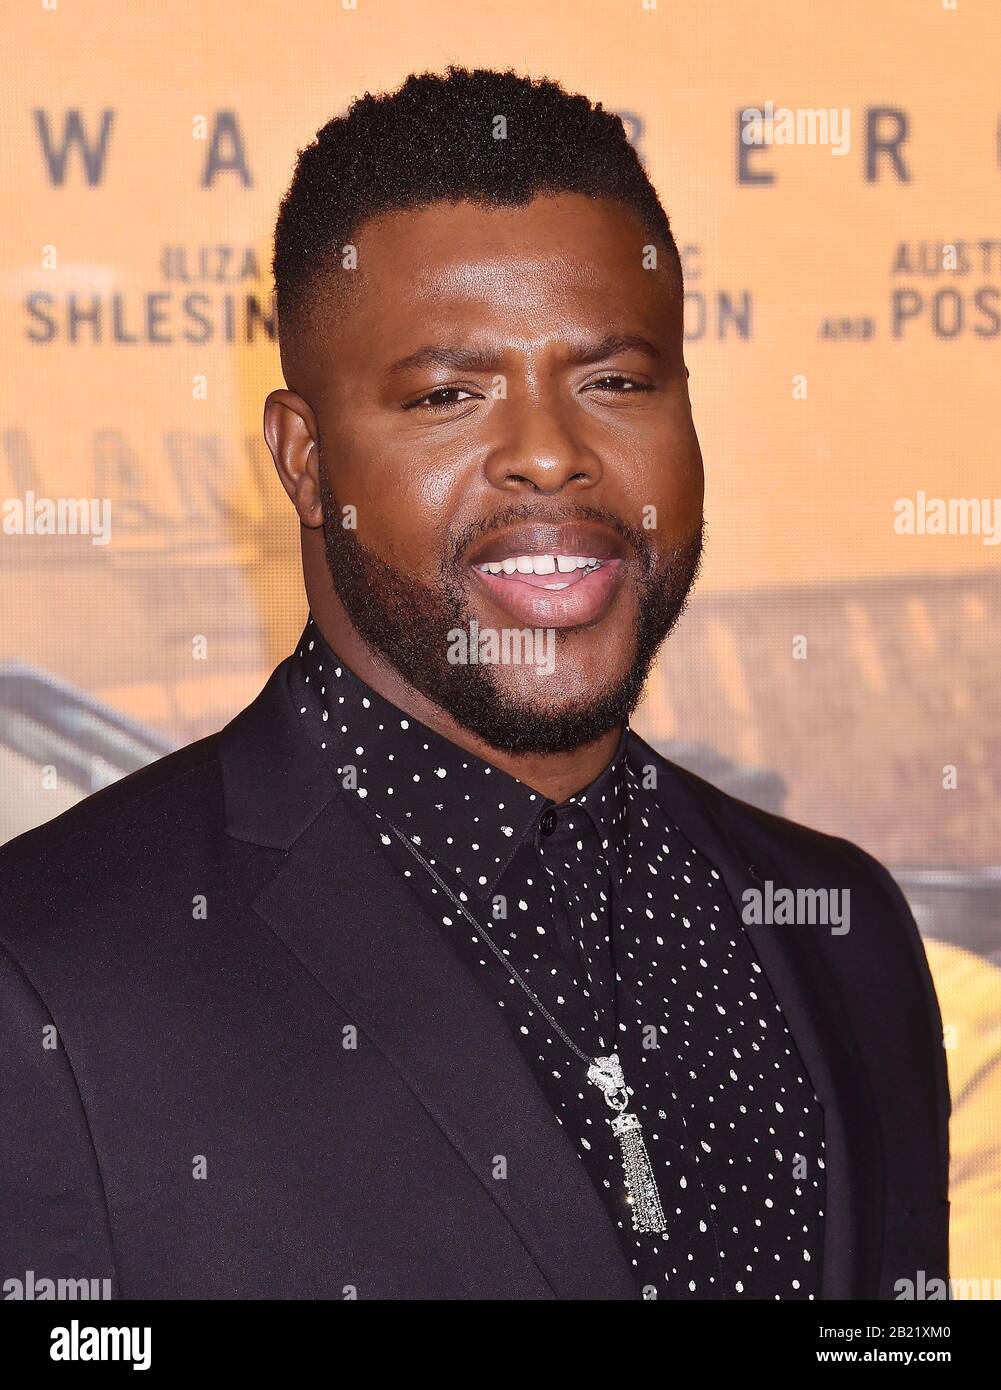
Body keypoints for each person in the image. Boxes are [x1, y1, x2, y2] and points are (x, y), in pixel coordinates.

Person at [0, 66, 949, 1301]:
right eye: (448, 394)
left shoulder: (839, 921)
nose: (550, 453)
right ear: (302, 458)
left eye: (613, 381)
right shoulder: (47, 976)